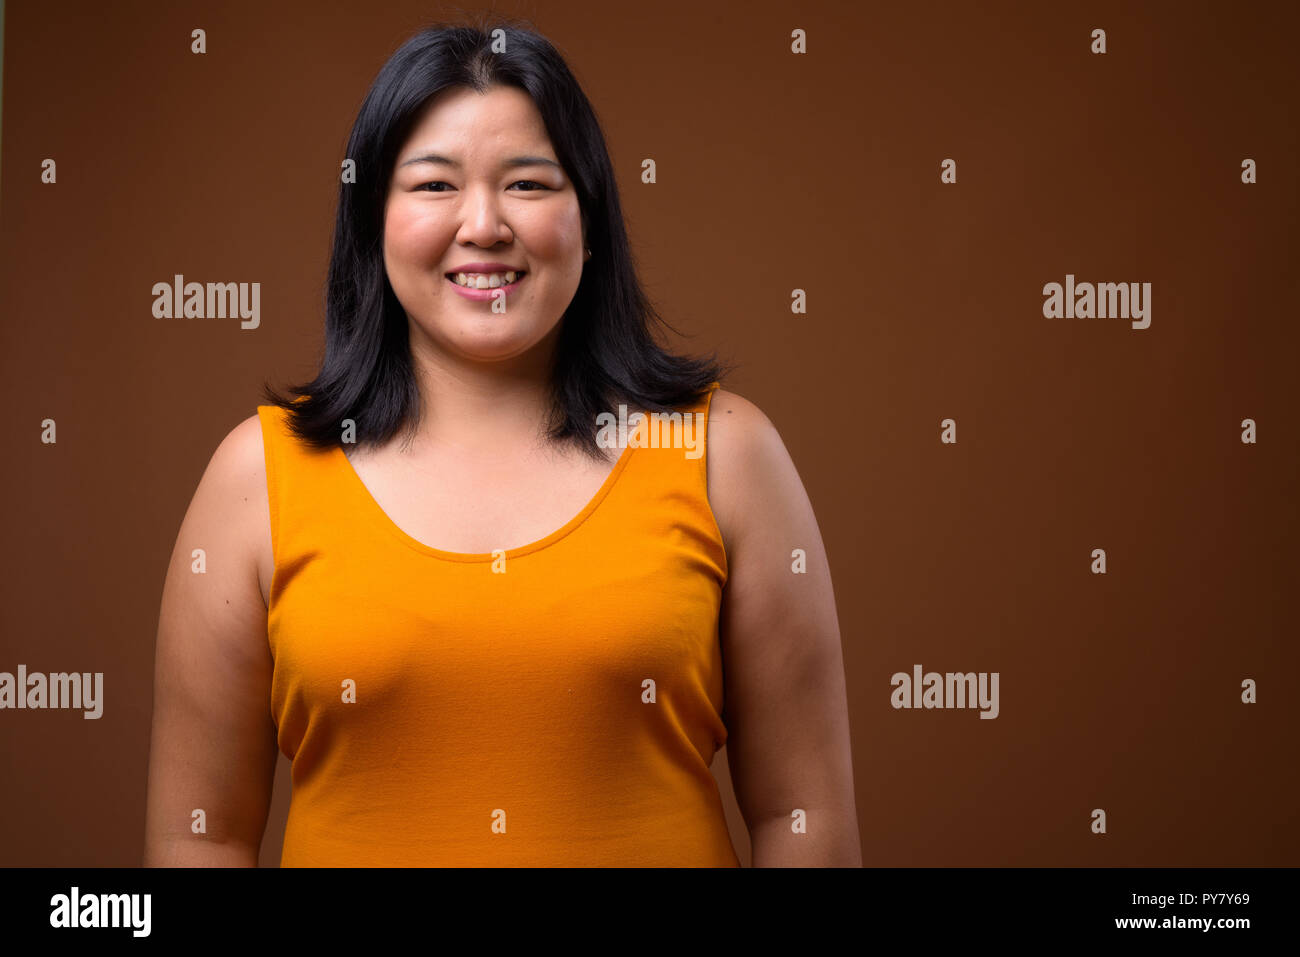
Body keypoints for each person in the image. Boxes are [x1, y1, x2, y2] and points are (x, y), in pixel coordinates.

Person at [143, 18, 859, 866]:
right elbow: (205, 838)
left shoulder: (724, 455)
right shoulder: (256, 477)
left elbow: (803, 816)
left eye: (527, 183)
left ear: (589, 220)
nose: (482, 225)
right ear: (372, 220)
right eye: (434, 185)